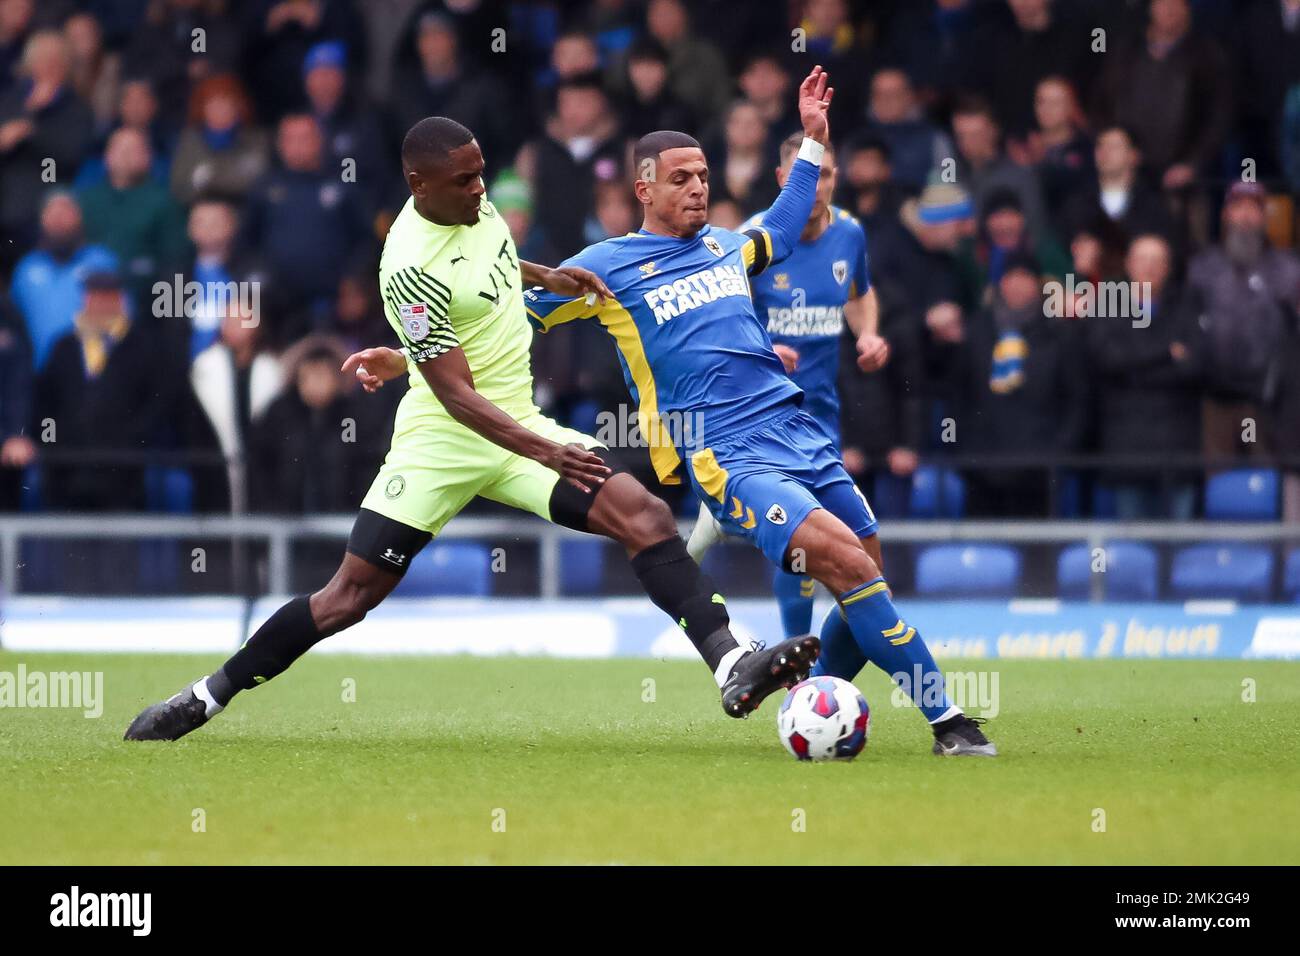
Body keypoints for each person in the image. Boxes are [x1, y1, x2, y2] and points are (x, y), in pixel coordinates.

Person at [124, 115, 816, 743]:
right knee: (348, 598)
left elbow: (493, 267)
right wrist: (548, 448)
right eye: (465, 179)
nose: (481, 188)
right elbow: (455, 395)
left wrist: (548, 273)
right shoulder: (406, 264)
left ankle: (731, 663)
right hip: (444, 441)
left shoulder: (474, 206)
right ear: (418, 184)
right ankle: (204, 697)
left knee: (644, 515)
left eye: (482, 170)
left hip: (515, 425)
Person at [521, 68, 994, 756]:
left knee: (865, 567)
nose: (697, 188)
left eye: (704, 175)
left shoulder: (726, 245)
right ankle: (951, 723)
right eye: (680, 178)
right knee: (847, 566)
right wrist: (410, 352)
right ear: (643, 188)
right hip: (728, 454)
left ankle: (813, 704)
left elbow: (783, 218)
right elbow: (505, 306)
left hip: (799, 430)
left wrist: (811, 141)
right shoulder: (608, 267)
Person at [686, 131, 888, 642]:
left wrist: (867, 333)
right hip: (759, 412)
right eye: (807, 174)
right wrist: (763, 349)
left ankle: (822, 660)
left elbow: (861, 294)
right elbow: (717, 320)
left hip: (819, 409)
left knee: (841, 548)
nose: (818, 184)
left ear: (836, 178)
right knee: (802, 541)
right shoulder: (753, 241)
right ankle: (802, 662)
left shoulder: (851, 234)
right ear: (783, 179)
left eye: (825, 173)